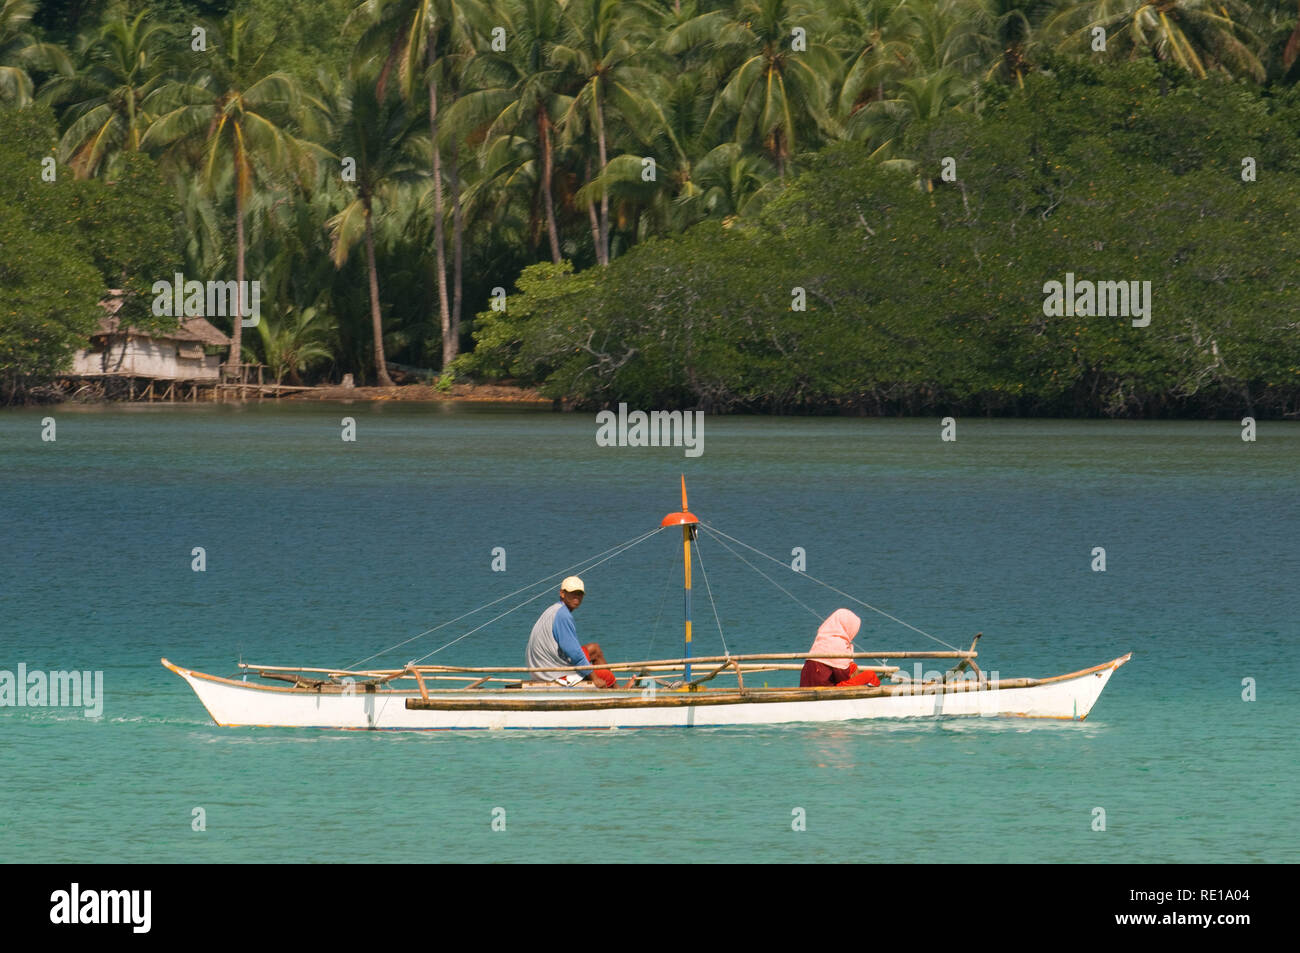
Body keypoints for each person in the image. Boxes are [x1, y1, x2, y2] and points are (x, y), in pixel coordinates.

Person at [525, 576, 617, 687]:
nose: (576, 597)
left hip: (540, 668)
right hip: (552, 673)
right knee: (606, 675)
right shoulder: (563, 615)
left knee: (595, 649)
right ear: (562, 593)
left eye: (579, 593)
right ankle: (618, 692)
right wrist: (595, 678)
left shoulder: (554, 609)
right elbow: (574, 654)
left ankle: (617, 688)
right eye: (572, 593)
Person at [799, 608, 881, 688]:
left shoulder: (822, 639)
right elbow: (842, 676)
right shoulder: (838, 644)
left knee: (853, 667)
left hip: (806, 685)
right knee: (870, 675)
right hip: (825, 689)